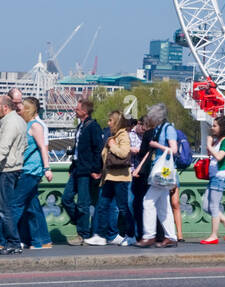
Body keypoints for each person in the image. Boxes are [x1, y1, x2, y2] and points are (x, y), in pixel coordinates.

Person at [11, 96, 53, 250]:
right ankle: (41, 241)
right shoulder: (26, 124)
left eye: (21, 107)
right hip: (26, 170)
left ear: (28, 109)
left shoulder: (36, 126)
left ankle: (7, 239)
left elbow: (43, 147)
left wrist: (47, 169)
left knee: (15, 204)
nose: (18, 109)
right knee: (32, 206)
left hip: (31, 171)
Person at [86, 111, 134, 246]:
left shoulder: (123, 135)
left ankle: (131, 235)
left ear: (116, 122)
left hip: (120, 178)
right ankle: (101, 236)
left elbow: (124, 153)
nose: (108, 123)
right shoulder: (113, 136)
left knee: (123, 207)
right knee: (102, 206)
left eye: (110, 121)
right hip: (109, 177)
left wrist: (112, 145)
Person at [134, 104, 178, 248]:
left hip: (163, 171)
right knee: (163, 205)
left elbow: (174, 150)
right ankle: (171, 236)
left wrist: (156, 145)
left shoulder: (168, 129)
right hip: (160, 170)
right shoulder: (160, 128)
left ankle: (149, 236)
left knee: (147, 201)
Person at [61, 97, 103, 243]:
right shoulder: (81, 126)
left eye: (77, 108)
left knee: (83, 203)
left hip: (86, 171)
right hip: (77, 169)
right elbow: (78, 150)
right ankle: (80, 223)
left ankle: (83, 234)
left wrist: (96, 169)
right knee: (66, 198)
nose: (75, 110)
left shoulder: (93, 126)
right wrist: (72, 166)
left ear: (84, 111)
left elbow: (98, 149)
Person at [200, 115, 225, 245]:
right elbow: (211, 157)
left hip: (220, 176)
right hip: (213, 176)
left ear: (222, 128)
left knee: (214, 206)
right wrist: (210, 146)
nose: (212, 128)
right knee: (206, 206)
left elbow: (220, 157)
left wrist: (209, 146)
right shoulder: (217, 140)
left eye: (215, 125)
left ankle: (214, 235)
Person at [0, 94, 27, 255]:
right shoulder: (20, 121)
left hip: (7, 170)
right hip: (15, 168)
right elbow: (25, 145)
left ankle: (13, 242)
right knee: (6, 207)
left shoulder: (10, 123)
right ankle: (11, 241)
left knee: (5, 208)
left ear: (5, 107)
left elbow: (3, 148)